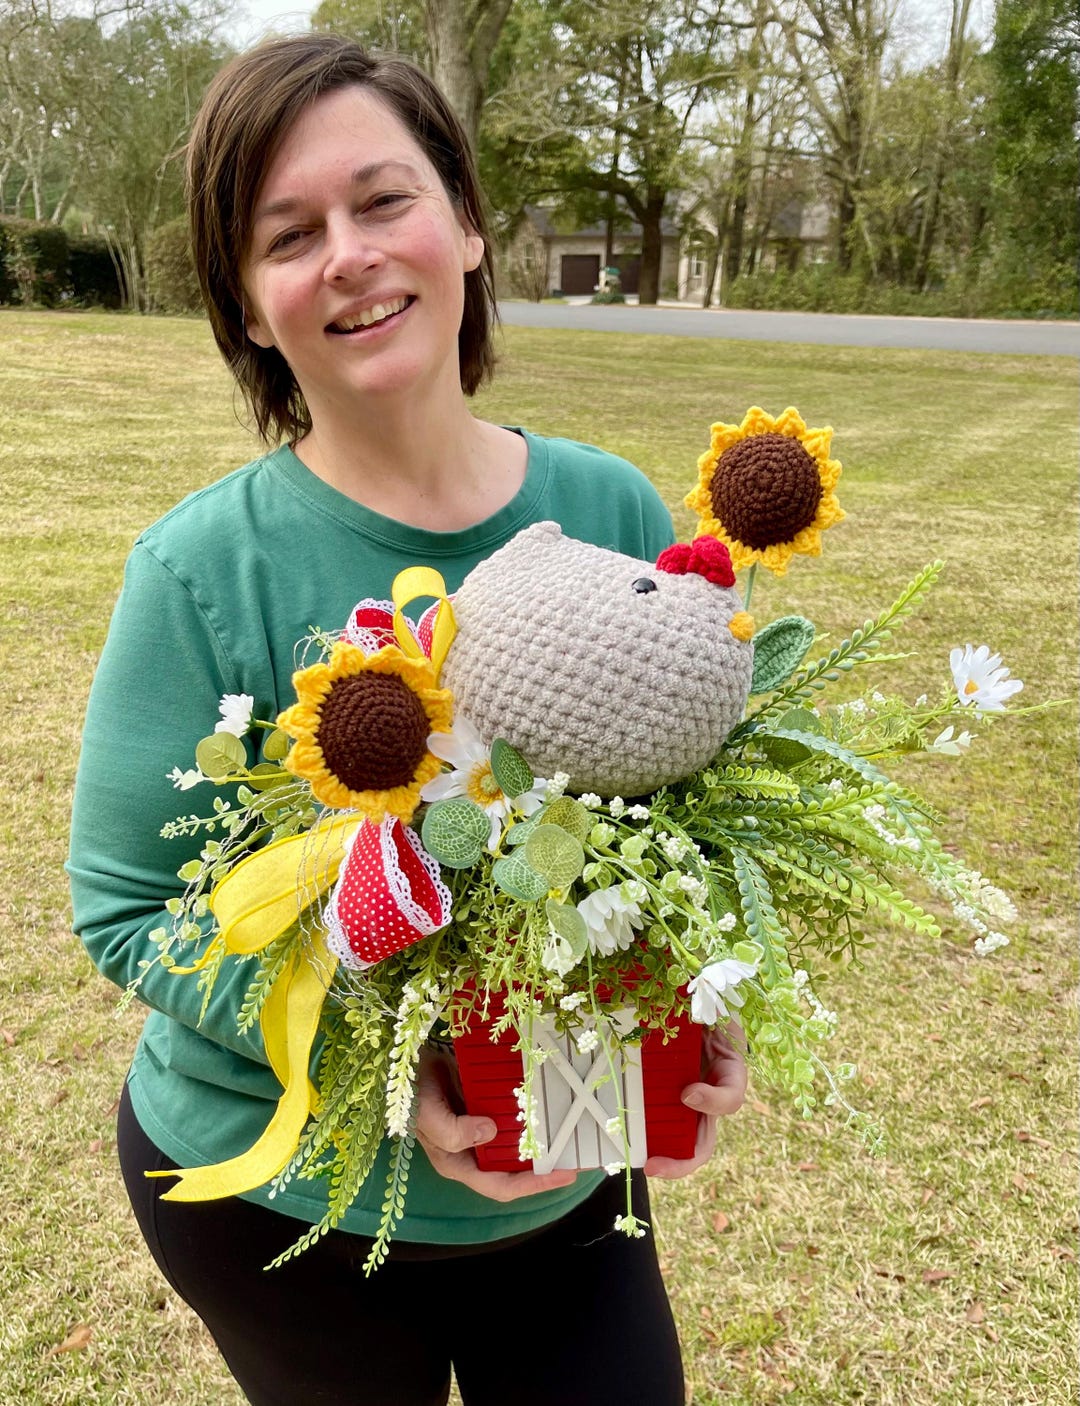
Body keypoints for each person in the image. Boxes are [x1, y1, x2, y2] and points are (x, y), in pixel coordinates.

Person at [67, 34, 747, 1406]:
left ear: (470, 227)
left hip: (562, 1183)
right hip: (282, 1211)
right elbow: (126, 909)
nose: (351, 255)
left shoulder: (614, 511)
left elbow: (695, 825)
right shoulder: (203, 573)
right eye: (289, 233)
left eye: (385, 200)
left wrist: (701, 1009)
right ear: (251, 307)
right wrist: (379, 1055)